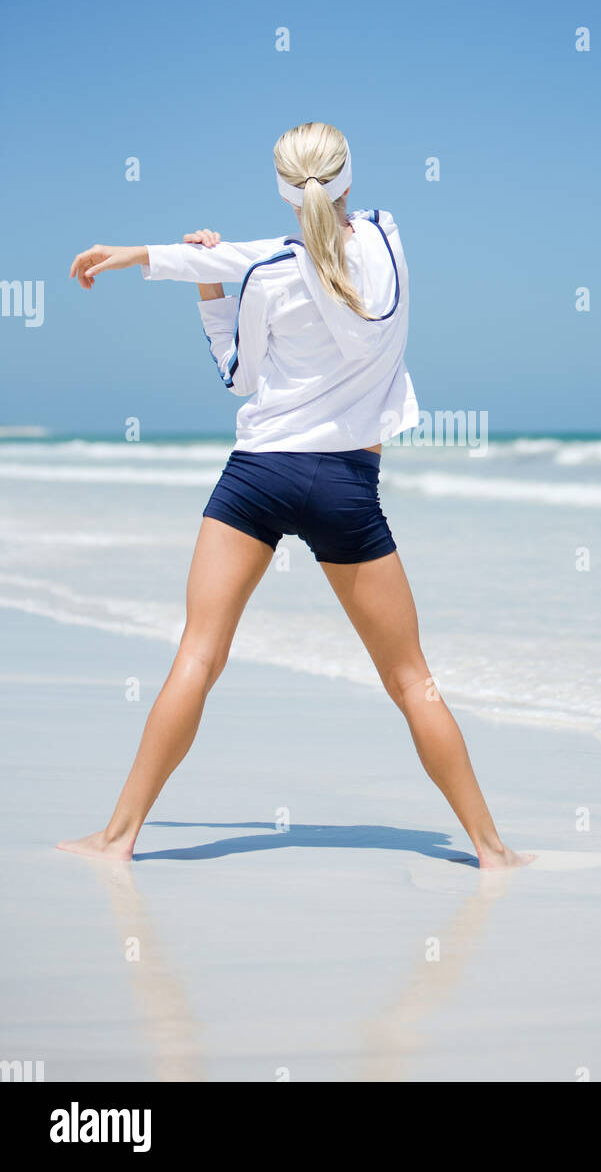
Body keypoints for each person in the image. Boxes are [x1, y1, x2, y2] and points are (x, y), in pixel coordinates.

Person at [61, 121, 532, 871]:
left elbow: (239, 375)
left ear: (282, 191)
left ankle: (116, 839)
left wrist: (197, 271)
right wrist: (192, 259)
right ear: (346, 180)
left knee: (198, 657)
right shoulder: (386, 243)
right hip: (343, 485)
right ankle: (492, 849)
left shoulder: (267, 276)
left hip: (258, 475)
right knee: (411, 679)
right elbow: (308, 246)